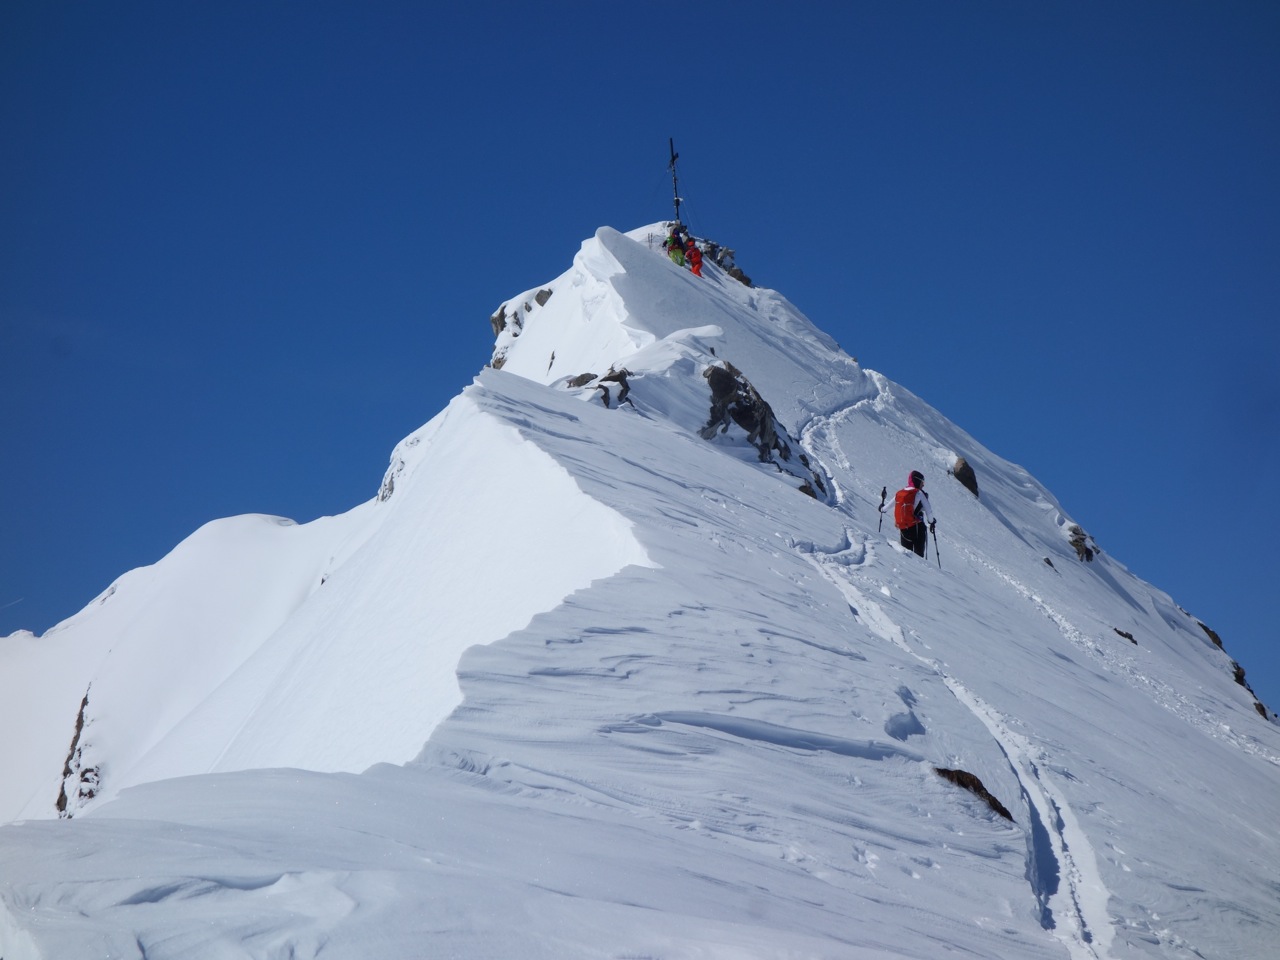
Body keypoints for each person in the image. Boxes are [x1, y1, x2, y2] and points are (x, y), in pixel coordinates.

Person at [886, 470, 935, 558]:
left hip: (904, 528)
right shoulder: (919, 493)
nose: (923, 485)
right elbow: (929, 510)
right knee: (919, 557)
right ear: (917, 481)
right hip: (917, 527)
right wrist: (931, 522)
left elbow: (887, 506)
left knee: (906, 555)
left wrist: (881, 509)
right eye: (922, 482)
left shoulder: (900, 493)